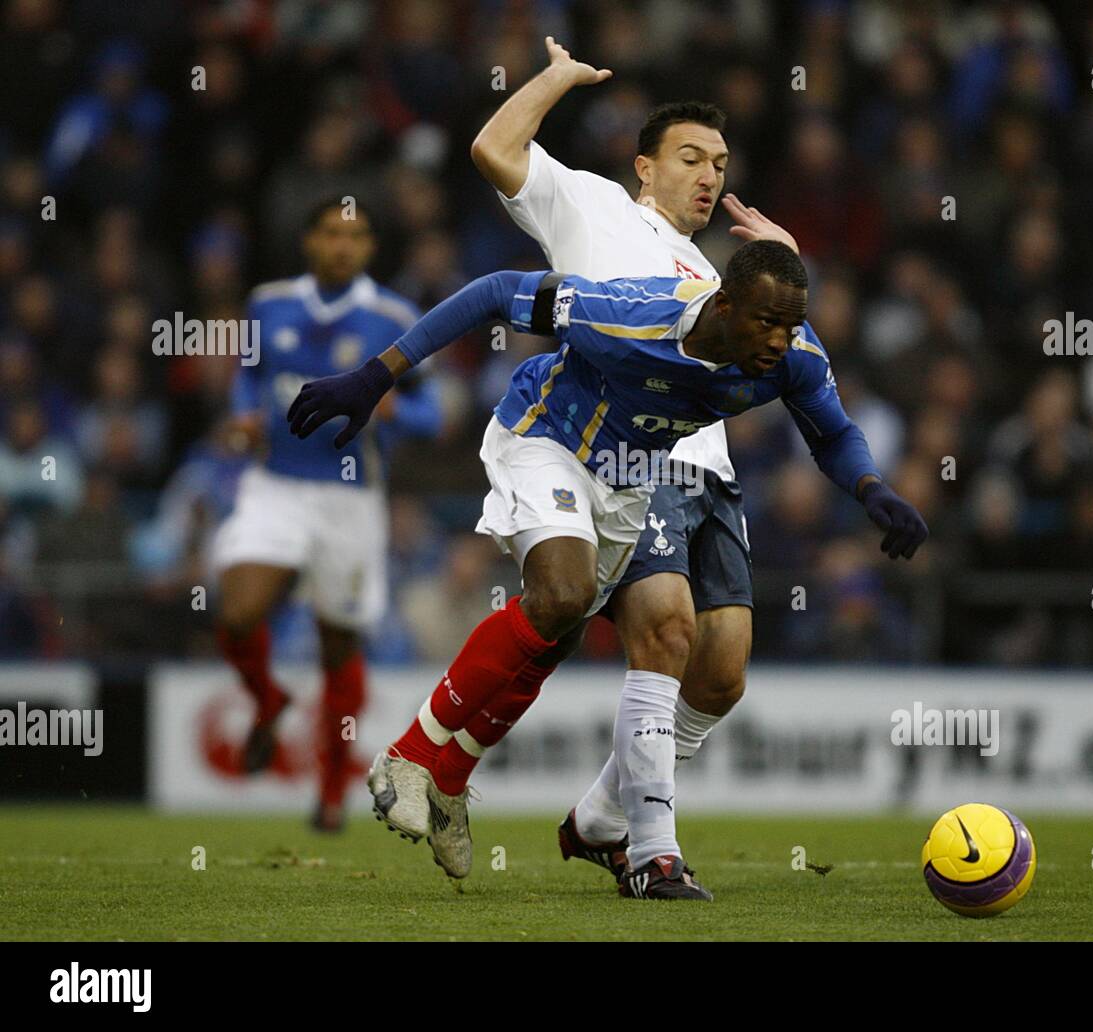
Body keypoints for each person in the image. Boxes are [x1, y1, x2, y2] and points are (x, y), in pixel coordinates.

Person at [288, 239, 928, 898]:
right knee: (563, 592)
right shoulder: (631, 316)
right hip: (546, 439)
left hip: (627, 482)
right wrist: (377, 374)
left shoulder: (791, 358)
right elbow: (494, 292)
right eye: (765, 321)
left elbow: (832, 434)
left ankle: (449, 778)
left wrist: (872, 489)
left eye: (790, 324)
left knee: (556, 633)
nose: (778, 339)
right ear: (724, 303)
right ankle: (411, 756)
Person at [465, 36, 827, 881]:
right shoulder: (590, 205)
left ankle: (597, 818)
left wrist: (788, 267)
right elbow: (493, 150)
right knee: (664, 634)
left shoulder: (716, 275)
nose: (709, 176)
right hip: (633, 460)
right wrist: (554, 80)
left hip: (714, 474)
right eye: (690, 157)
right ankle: (652, 852)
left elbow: (796, 359)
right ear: (644, 168)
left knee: (723, 673)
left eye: (721, 163)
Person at [212, 198, 440, 831]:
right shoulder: (269, 302)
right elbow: (247, 376)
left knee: (337, 643)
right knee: (235, 612)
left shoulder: (393, 318)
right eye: (331, 233)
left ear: (370, 248)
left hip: (351, 497)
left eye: (357, 235)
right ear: (308, 240)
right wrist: (243, 415)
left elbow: (435, 413)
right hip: (276, 484)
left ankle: (332, 789)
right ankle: (267, 701)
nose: (343, 245)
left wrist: (400, 414)